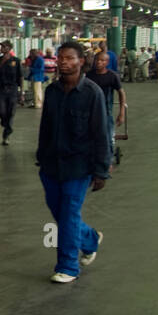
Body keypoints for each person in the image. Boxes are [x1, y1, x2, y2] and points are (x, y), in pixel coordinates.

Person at [36, 42, 111, 284]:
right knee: (60, 213)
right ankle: (89, 239)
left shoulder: (92, 93)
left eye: (69, 58)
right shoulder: (52, 92)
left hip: (79, 166)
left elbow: (101, 133)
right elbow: (45, 128)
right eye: (61, 58)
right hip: (51, 165)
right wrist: (40, 156)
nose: (63, 62)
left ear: (81, 62)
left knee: (68, 214)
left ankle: (68, 266)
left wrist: (101, 171)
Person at [86, 50, 126, 161]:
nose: (99, 62)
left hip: (106, 111)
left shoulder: (112, 76)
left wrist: (121, 112)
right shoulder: (89, 75)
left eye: (102, 60)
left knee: (108, 136)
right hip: (90, 111)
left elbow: (121, 93)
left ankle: (108, 160)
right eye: (97, 60)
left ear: (107, 62)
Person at [0, 39, 24, 145]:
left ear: (9, 48)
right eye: (1, 47)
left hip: (13, 89)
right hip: (2, 90)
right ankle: (6, 125)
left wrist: (21, 92)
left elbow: (21, 76)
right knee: (1, 111)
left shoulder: (16, 61)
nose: (2, 48)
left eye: (4, 47)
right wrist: (2, 62)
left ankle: (6, 135)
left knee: (11, 112)